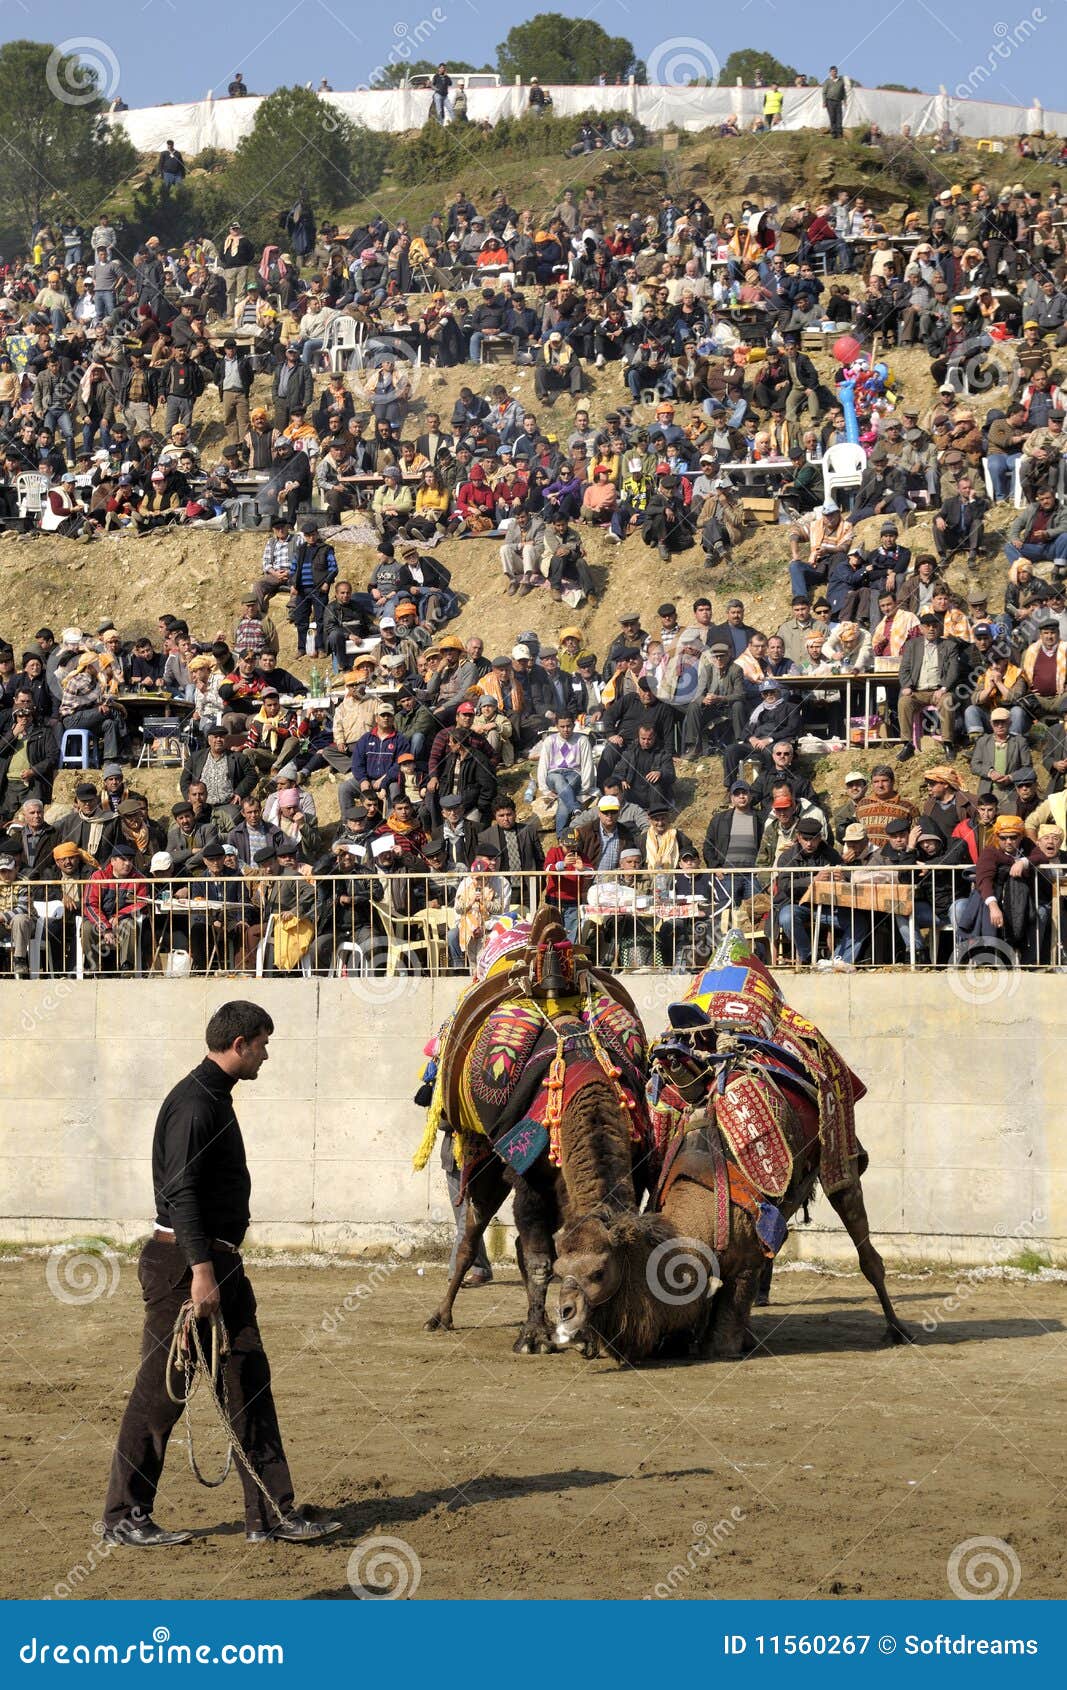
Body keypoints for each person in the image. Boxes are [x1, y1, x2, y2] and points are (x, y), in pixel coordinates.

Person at [101, 1002, 341, 1546]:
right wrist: (201, 1273)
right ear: (238, 1045)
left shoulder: (213, 1096)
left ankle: (271, 1516)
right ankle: (123, 1515)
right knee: (161, 1394)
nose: (266, 1053)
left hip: (216, 1264)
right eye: (261, 1043)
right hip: (185, 1269)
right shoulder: (194, 1104)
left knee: (249, 1383)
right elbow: (179, 1193)